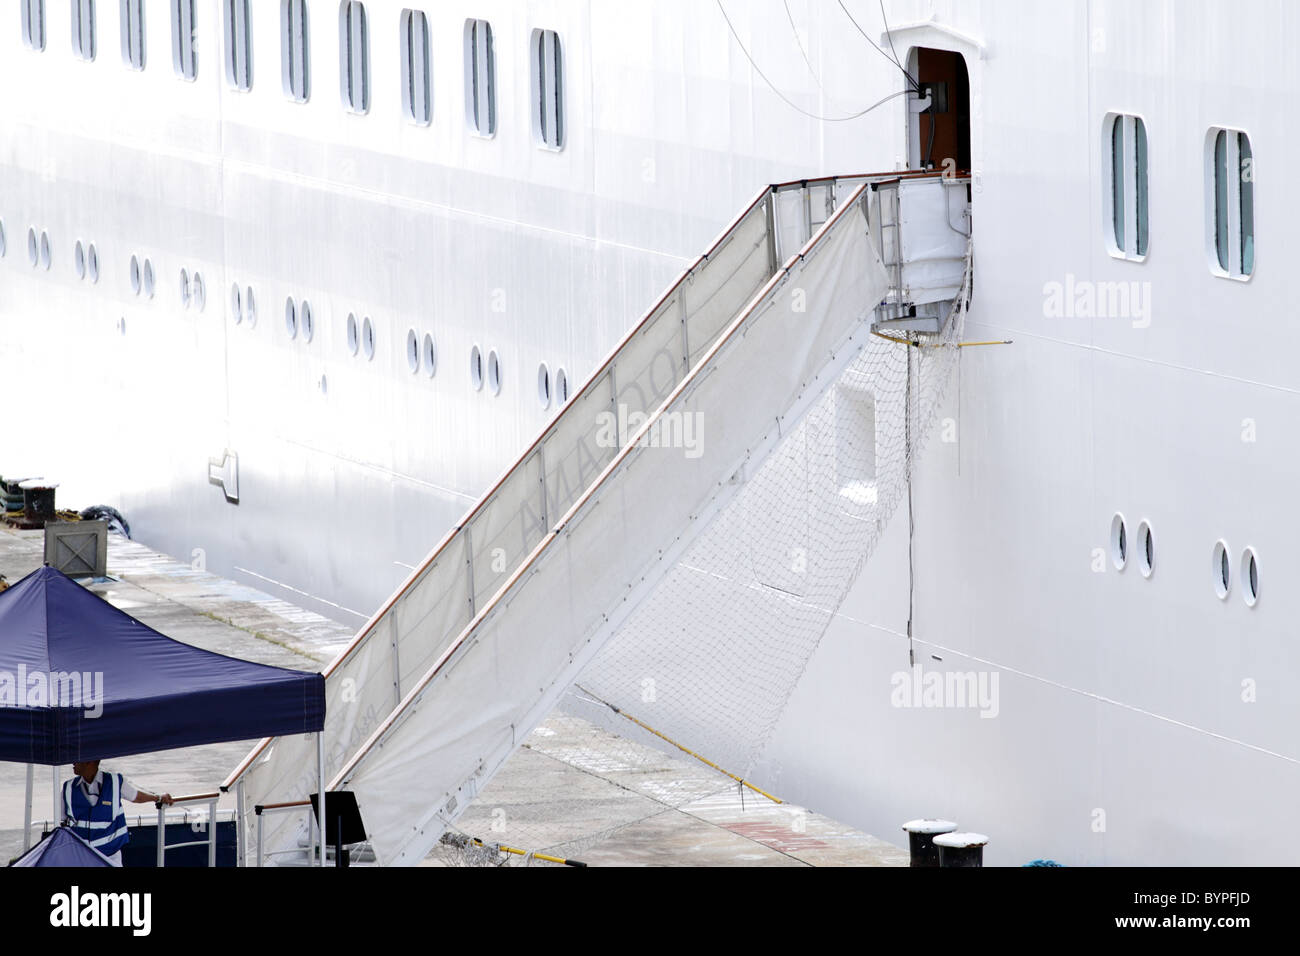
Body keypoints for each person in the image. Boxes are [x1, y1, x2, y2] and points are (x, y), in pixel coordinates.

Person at [62, 760, 173, 866]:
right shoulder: (68, 788)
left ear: (89, 762)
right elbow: (61, 820)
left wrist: (158, 798)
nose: (73, 763)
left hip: (110, 857)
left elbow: (135, 796)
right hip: (80, 858)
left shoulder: (115, 782)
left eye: (77, 760)